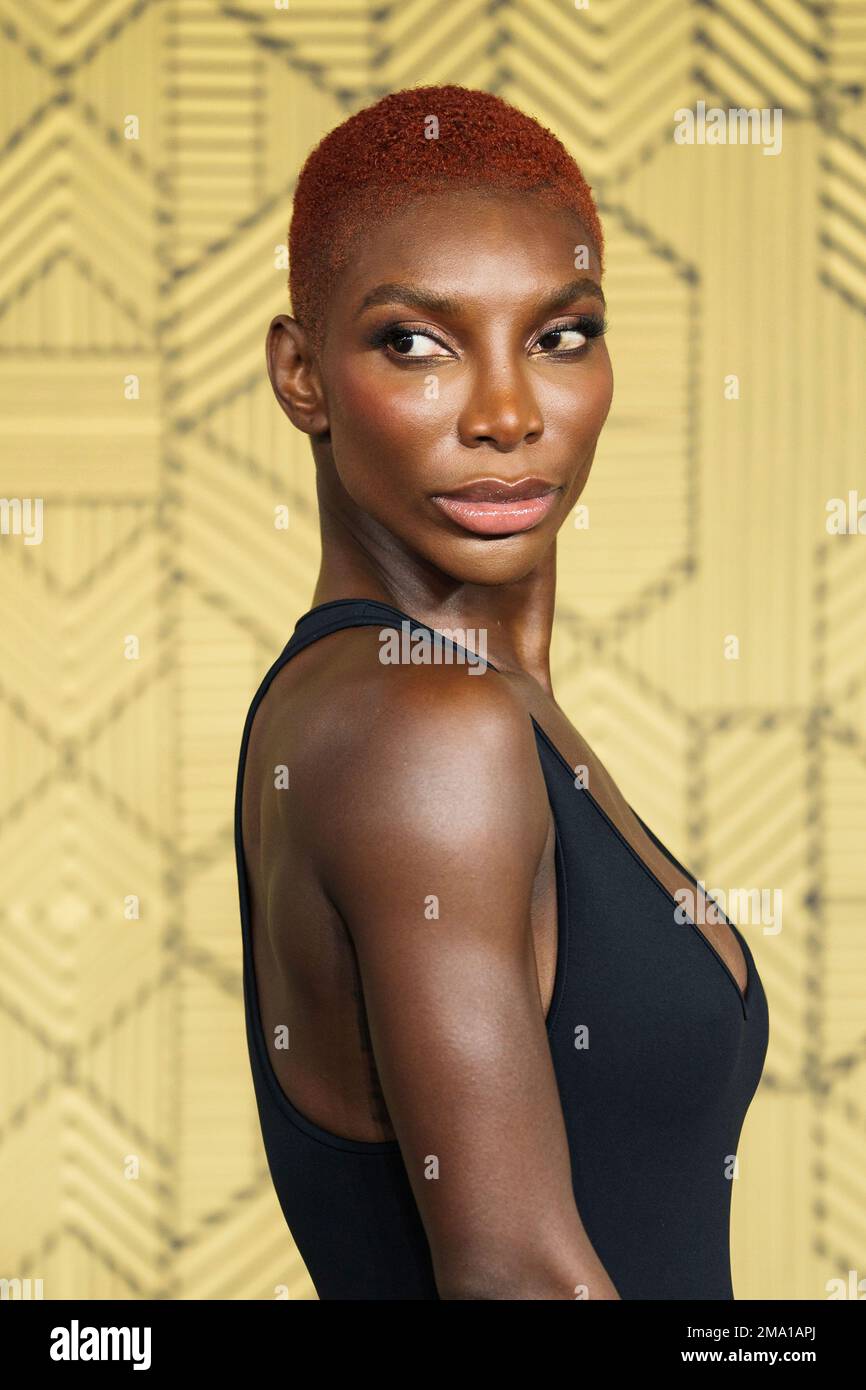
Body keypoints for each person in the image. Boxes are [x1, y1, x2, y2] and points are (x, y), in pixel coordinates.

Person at [234, 83, 769, 1301]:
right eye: (414, 343)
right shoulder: (420, 727)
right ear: (301, 374)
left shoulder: (447, 707)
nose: (508, 414)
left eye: (558, 334)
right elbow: (519, 1281)